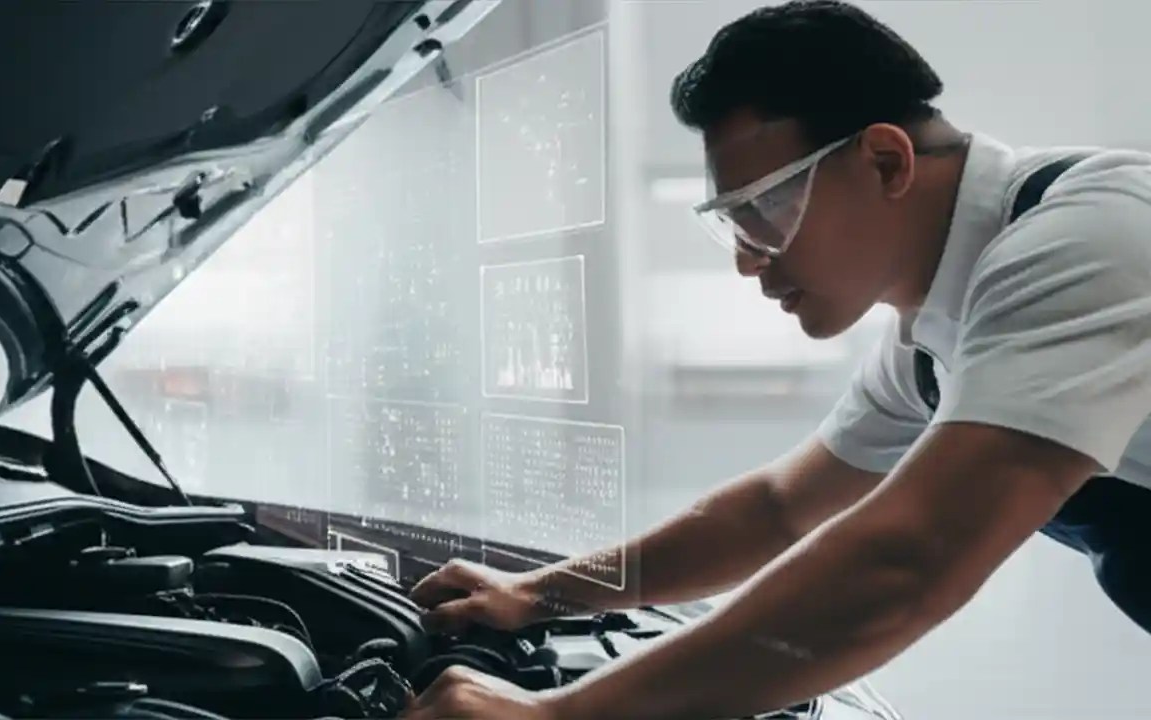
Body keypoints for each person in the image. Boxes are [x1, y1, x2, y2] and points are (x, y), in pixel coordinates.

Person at [403, 1, 1151, 718]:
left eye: (764, 210)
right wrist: (542, 594)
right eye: (729, 225)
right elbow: (778, 509)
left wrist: (563, 717)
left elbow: (910, 559)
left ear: (887, 162)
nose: (748, 262)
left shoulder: (1088, 242)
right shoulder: (930, 345)